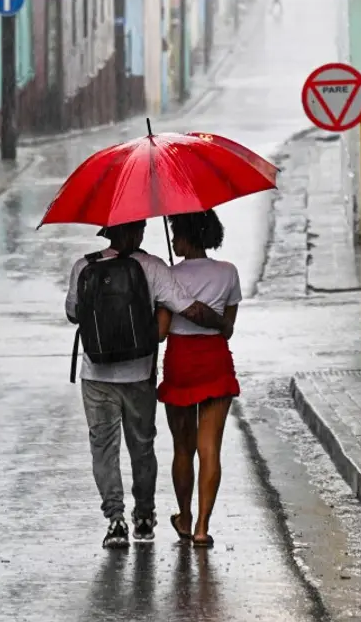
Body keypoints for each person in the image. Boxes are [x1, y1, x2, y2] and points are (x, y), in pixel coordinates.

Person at [66, 219, 225, 550]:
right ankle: (144, 515)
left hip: (96, 375)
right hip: (138, 374)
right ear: (138, 231)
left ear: (106, 233)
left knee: (104, 449)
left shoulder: (84, 266)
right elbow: (189, 308)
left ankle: (115, 521)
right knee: (142, 446)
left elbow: (72, 313)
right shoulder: (151, 266)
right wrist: (221, 323)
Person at [158, 210, 242, 549]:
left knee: (183, 448)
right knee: (210, 449)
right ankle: (203, 527)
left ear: (188, 235)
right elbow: (229, 328)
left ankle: (184, 515)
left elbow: (162, 332)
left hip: (180, 361)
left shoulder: (168, 277)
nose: (174, 239)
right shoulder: (228, 273)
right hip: (215, 361)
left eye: (177, 232)